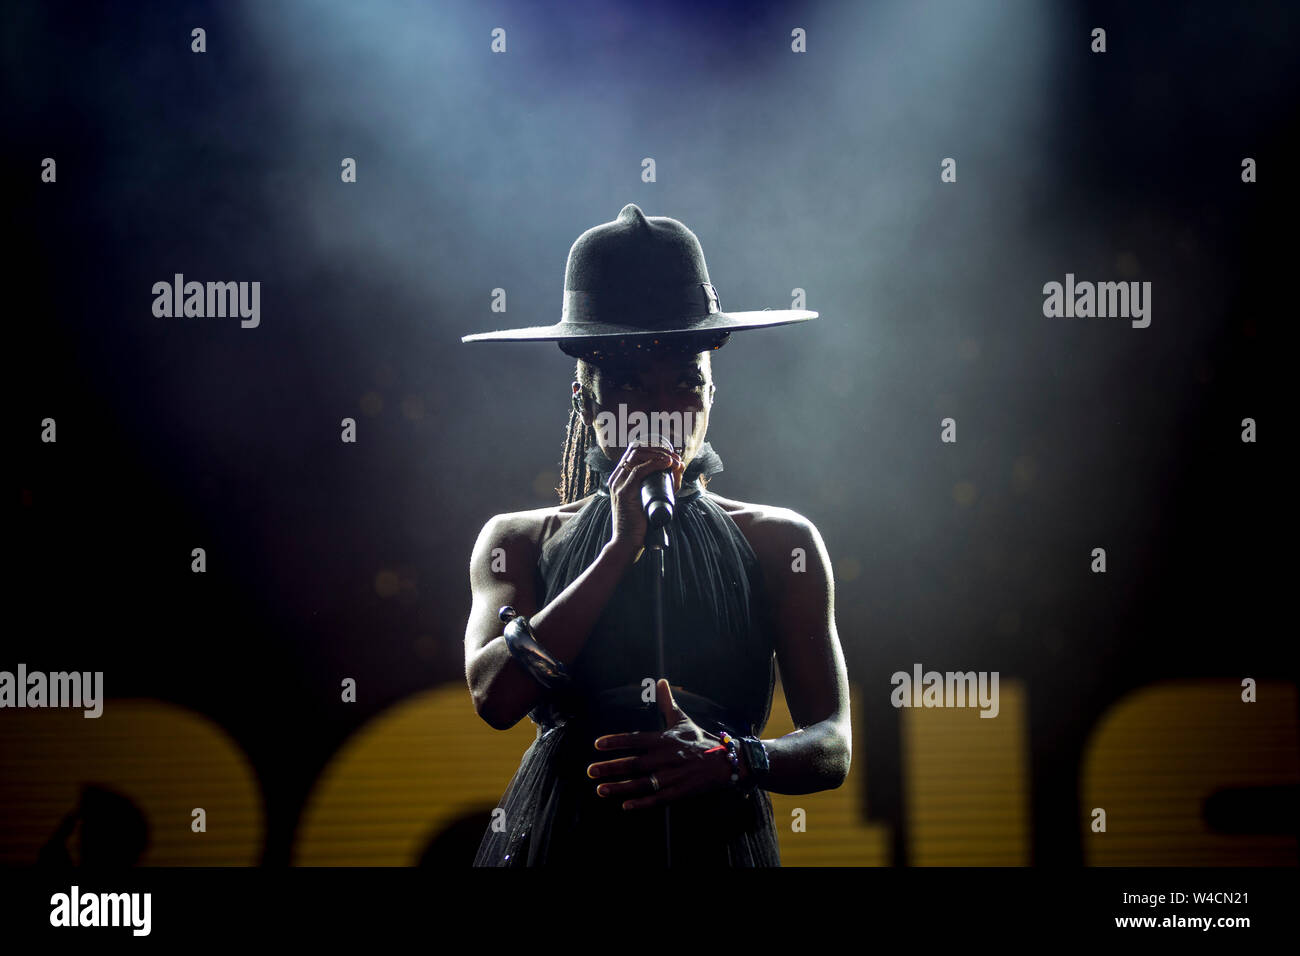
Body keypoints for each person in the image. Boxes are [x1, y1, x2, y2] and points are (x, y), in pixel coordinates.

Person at [461, 203, 851, 866]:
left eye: (684, 385)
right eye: (631, 385)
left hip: (717, 842)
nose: (660, 411)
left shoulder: (780, 541)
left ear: (711, 393)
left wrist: (737, 759)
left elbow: (833, 746)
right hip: (568, 843)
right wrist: (617, 551)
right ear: (587, 402)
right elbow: (493, 696)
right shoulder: (520, 539)